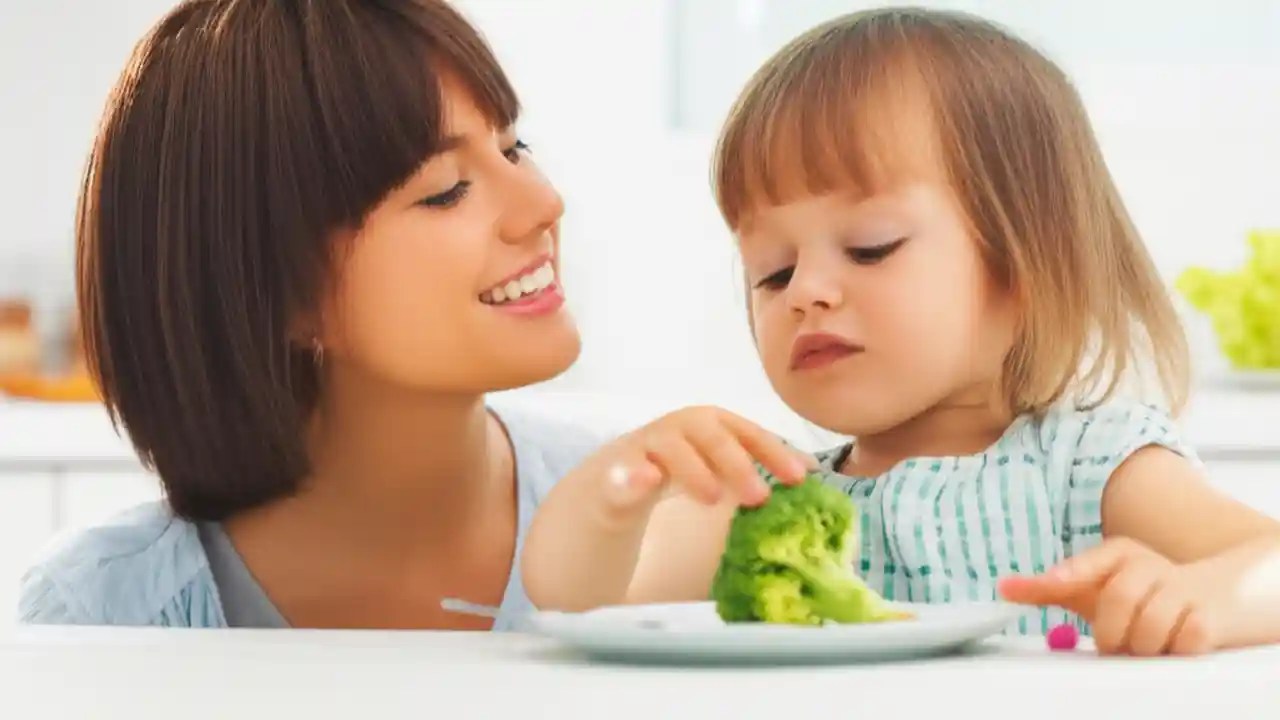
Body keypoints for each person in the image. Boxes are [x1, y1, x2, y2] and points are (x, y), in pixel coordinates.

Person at [521, 7, 1280, 656]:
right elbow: (582, 604)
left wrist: (1198, 597)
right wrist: (613, 493)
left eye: (870, 247)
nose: (806, 294)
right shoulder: (772, 497)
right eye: (773, 272)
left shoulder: (1088, 467)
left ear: (1026, 268)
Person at [17, 0, 618, 630]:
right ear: (274, 289)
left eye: (513, 148)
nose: (544, 203)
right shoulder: (96, 615)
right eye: (446, 190)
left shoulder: (672, 527)